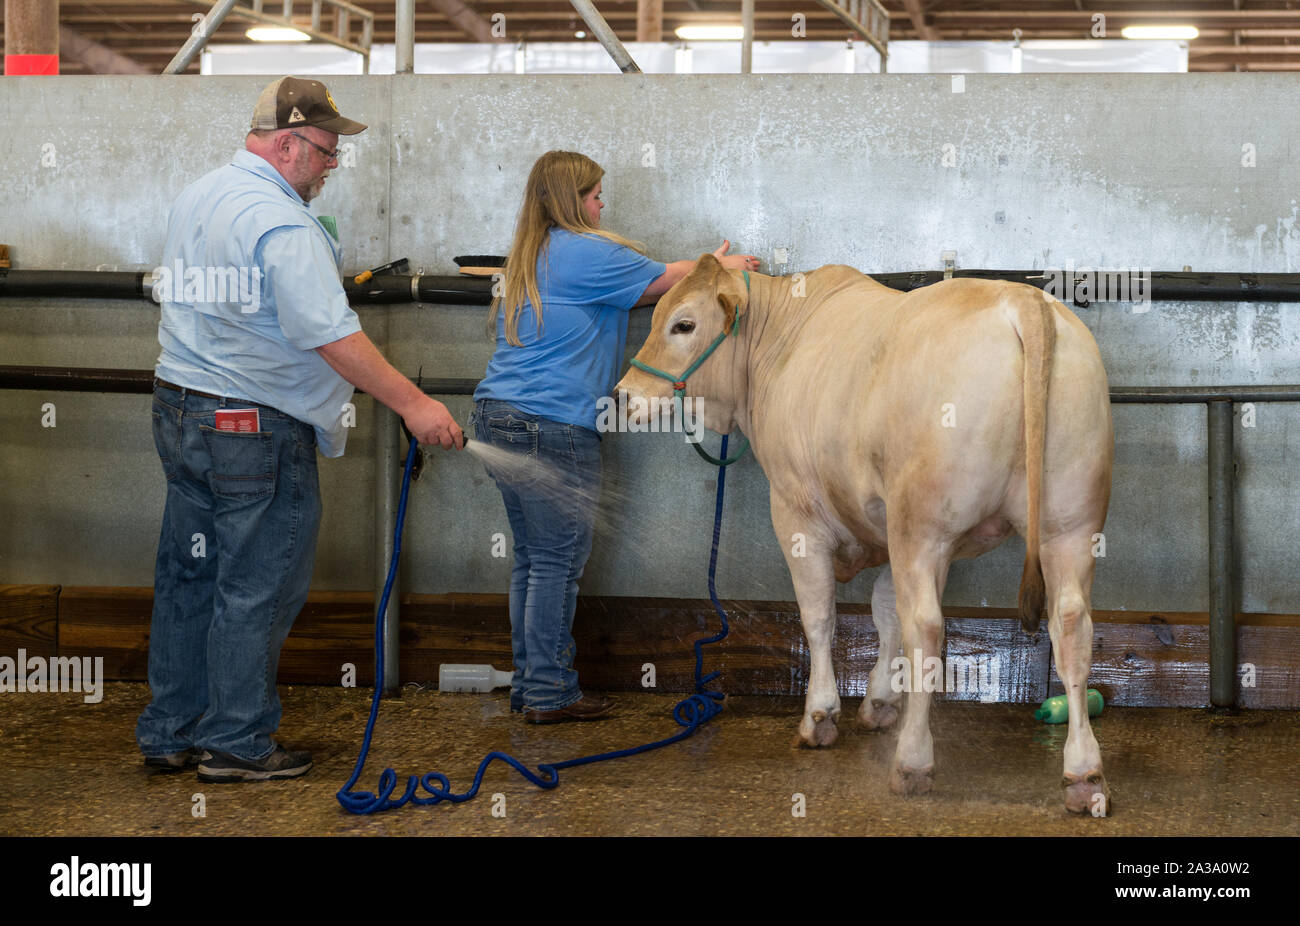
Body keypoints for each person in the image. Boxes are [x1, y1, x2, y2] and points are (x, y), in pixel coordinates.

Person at [137, 76, 463, 782]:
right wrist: (413, 403)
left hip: (181, 407)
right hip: (250, 425)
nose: (332, 165)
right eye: (324, 149)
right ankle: (236, 741)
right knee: (258, 583)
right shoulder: (282, 222)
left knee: (189, 573)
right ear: (286, 143)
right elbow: (331, 336)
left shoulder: (201, 193)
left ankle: (170, 729)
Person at [471, 150, 756, 724]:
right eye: (596, 194)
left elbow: (658, 281)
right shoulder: (586, 250)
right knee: (557, 561)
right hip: (551, 423)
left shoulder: (536, 252)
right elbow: (669, 281)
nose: (603, 204)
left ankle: (532, 684)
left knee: (532, 558)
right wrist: (730, 267)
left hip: (498, 415)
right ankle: (550, 692)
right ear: (572, 199)